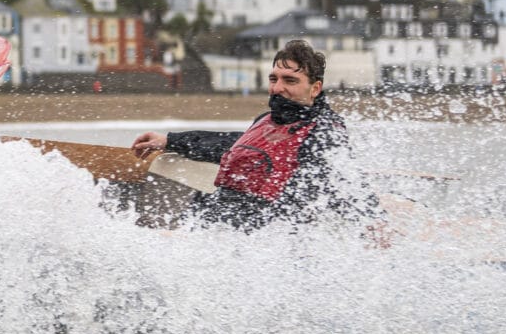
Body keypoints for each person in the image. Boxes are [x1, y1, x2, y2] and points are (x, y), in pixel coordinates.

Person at [130, 39, 377, 230]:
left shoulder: (324, 131)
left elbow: (339, 181)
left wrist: (374, 219)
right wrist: (170, 141)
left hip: (258, 236)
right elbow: (229, 145)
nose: (277, 88)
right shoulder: (266, 121)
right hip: (215, 218)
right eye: (274, 79)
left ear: (315, 88)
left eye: (290, 81)